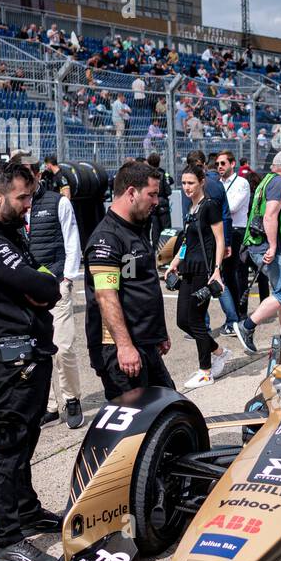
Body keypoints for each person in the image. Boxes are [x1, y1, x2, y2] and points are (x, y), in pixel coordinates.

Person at [0, 160, 64, 561]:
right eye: (23, 197)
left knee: (26, 441)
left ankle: (26, 510)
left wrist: (41, 287)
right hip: (13, 362)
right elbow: (42, 284)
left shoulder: (7, 234)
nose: (29, 204)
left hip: (31, 354)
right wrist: (40, 287)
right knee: (7, 449)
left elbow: (45, 283)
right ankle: (7, 541)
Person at [84, 161, 173, 398]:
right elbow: (105, 295)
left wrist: (158, 333)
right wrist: (124, 346)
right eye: (152, 194)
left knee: (167, 406)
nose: (157, 201)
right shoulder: (107, 238)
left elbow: (141, 286)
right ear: (132, 192)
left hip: (145, 344)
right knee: (136, 426)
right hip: (120, 350)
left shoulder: (136, 227)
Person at [25, 163, 85, 430]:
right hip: (26, 289)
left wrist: (68, 278)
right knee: (35, 350)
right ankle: (48, 405)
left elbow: (72, 240)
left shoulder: (57, 202)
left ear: (37, 174)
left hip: (57, 283)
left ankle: (71, 399)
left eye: (26, 173)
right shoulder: (10, 205)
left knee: (63, 347)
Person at [167, 164, 231, 389]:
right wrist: (174, 262)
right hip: (187, 269)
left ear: (202, 181)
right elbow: (187, 241)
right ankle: (219, 352)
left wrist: (217, 270)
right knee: (182, 321)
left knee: (195, 320)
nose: (186, 187)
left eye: (191, 183)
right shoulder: (191, 208)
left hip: (204, 270)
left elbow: (220, 240)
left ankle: (205, 372)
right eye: (183, 183)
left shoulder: (210, 206)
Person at [233, 151, 281, 354]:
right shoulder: (279, 183)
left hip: (263, 245)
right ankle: (247, 326)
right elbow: (270, 216)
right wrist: (272, 246)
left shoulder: (267, 180)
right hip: (272, 248)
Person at [214, 150, 252, 334]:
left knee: (237, 275)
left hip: (237, 231)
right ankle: (232, 317)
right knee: (225, 275)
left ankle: (240, 316)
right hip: (221, 230)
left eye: (223, 163)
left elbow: (233, 207)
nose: (220, 167)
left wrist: (217, 206)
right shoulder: (217, 183)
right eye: (217, 164)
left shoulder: (241, 183)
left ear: (232, 163)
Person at [146, 152, 174, 253]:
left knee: (155, 229)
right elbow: (169, 188)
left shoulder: (147, 175)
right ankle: (167, 252)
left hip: (152, 205)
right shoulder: (163, 173)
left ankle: (156, 252)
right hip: (163, 204)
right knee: (166, 229)